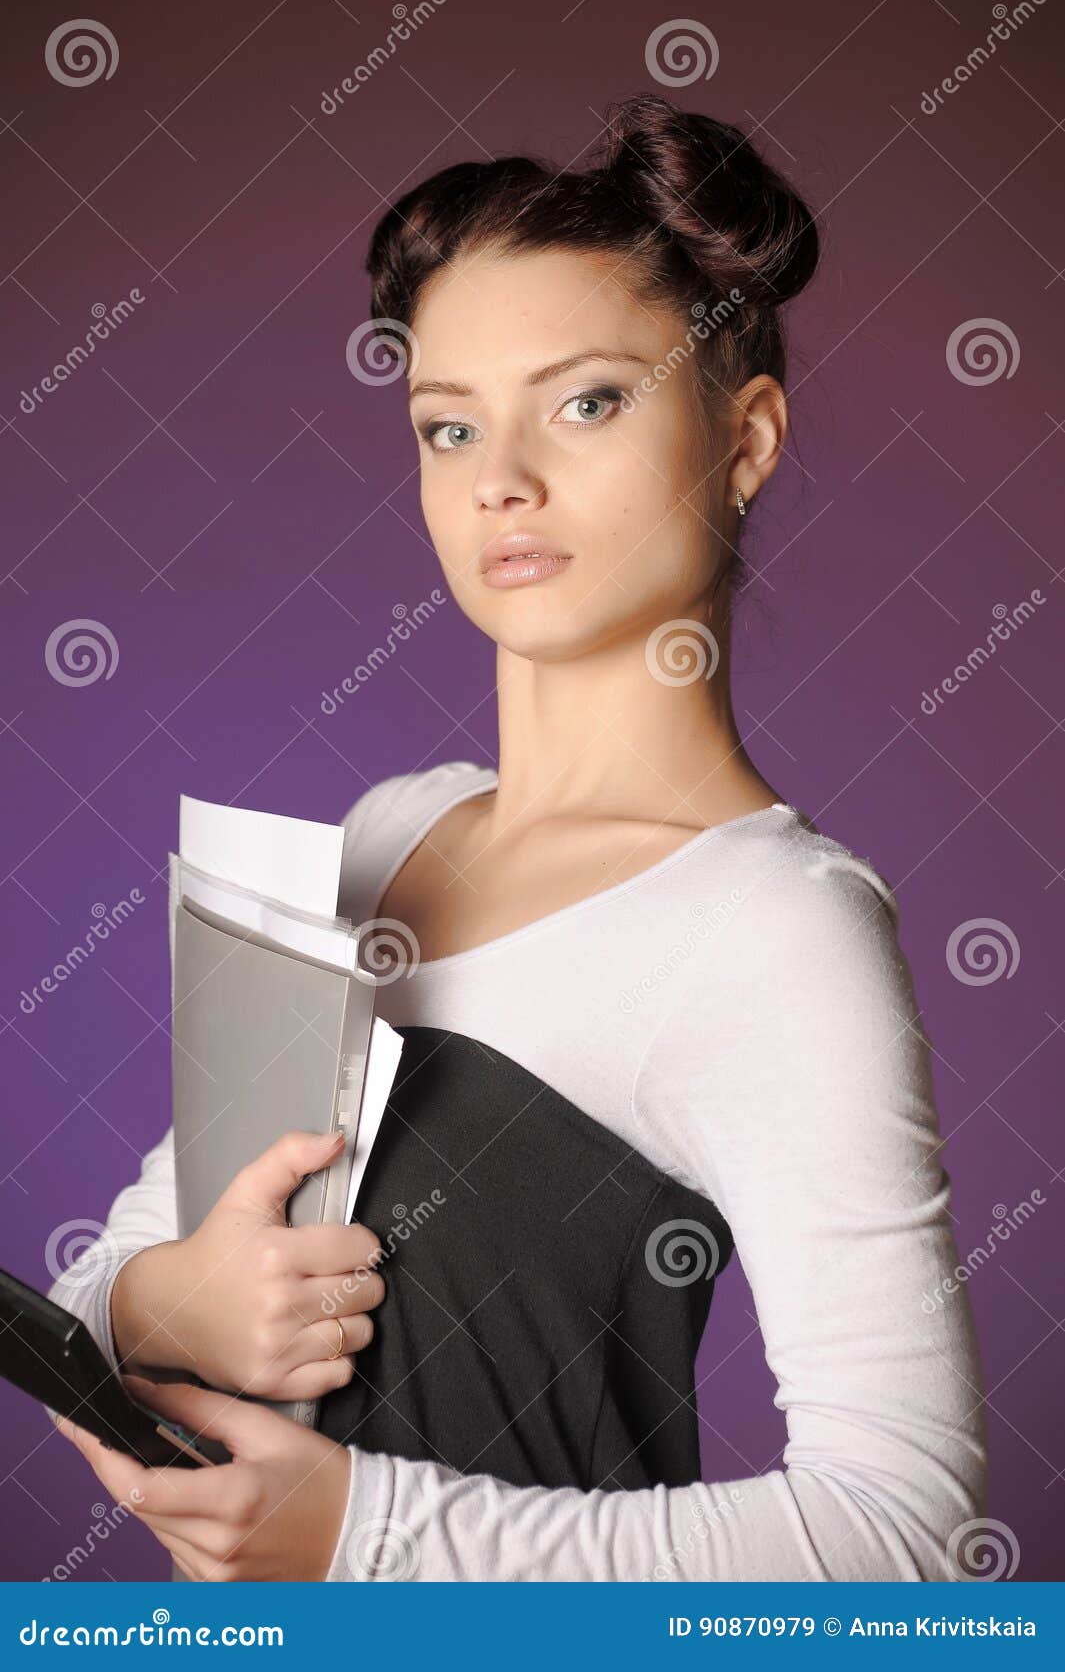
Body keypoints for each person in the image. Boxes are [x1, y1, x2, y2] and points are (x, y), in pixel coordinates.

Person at [50, 92, 988, 1582]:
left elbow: (908, 1532)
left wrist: (359, 1529)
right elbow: (105, 1279)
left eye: (590, 399)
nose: (500, 476)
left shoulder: (775, 923)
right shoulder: (384, 833)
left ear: (743, 437)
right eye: (447, 422)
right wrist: (180, 1304)